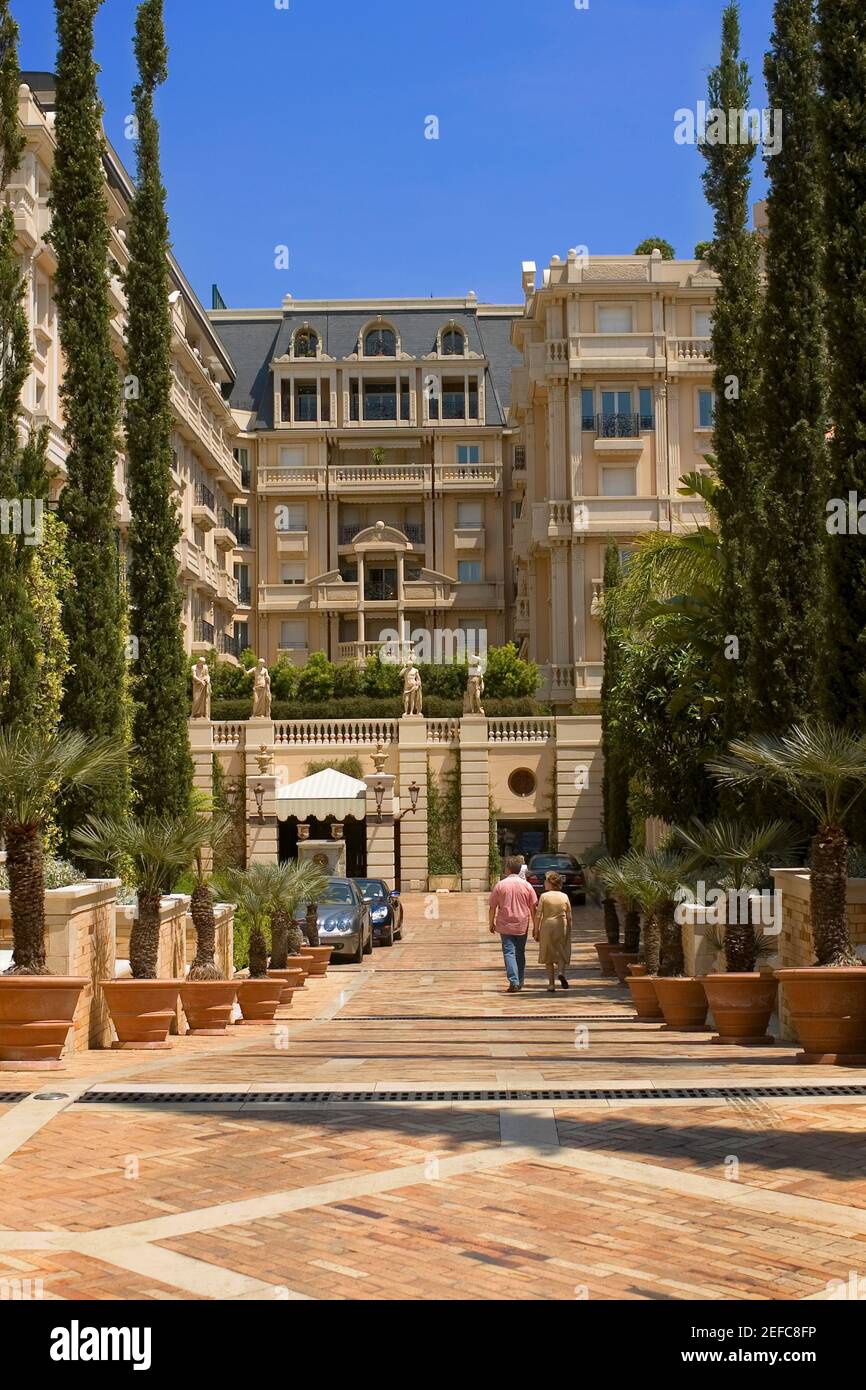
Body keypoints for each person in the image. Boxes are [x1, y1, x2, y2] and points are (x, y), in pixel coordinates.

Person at [488, 856, 537, 993]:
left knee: (509, 952)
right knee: (520, 952)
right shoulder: (526, 885)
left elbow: (492, 907)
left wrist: (491, 922)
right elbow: (533, 908)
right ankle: (520, 981)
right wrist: (536, 926)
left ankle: (513, 981)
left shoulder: (500, 885)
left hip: (505, 924)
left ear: (508, 869)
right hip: (522, 924)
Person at [533, 872, 573, 993]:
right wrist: (569, 929)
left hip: (547, 926)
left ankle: (551, 984)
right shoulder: (564, 896)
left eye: (545, 881)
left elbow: (538, 915)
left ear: (550, 883)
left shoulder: (544, 897)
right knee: (561, 950)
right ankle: (561, 972)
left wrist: (536, 930)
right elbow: (569, 916)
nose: (544, 883)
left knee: (548, 955)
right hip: (561, 925)